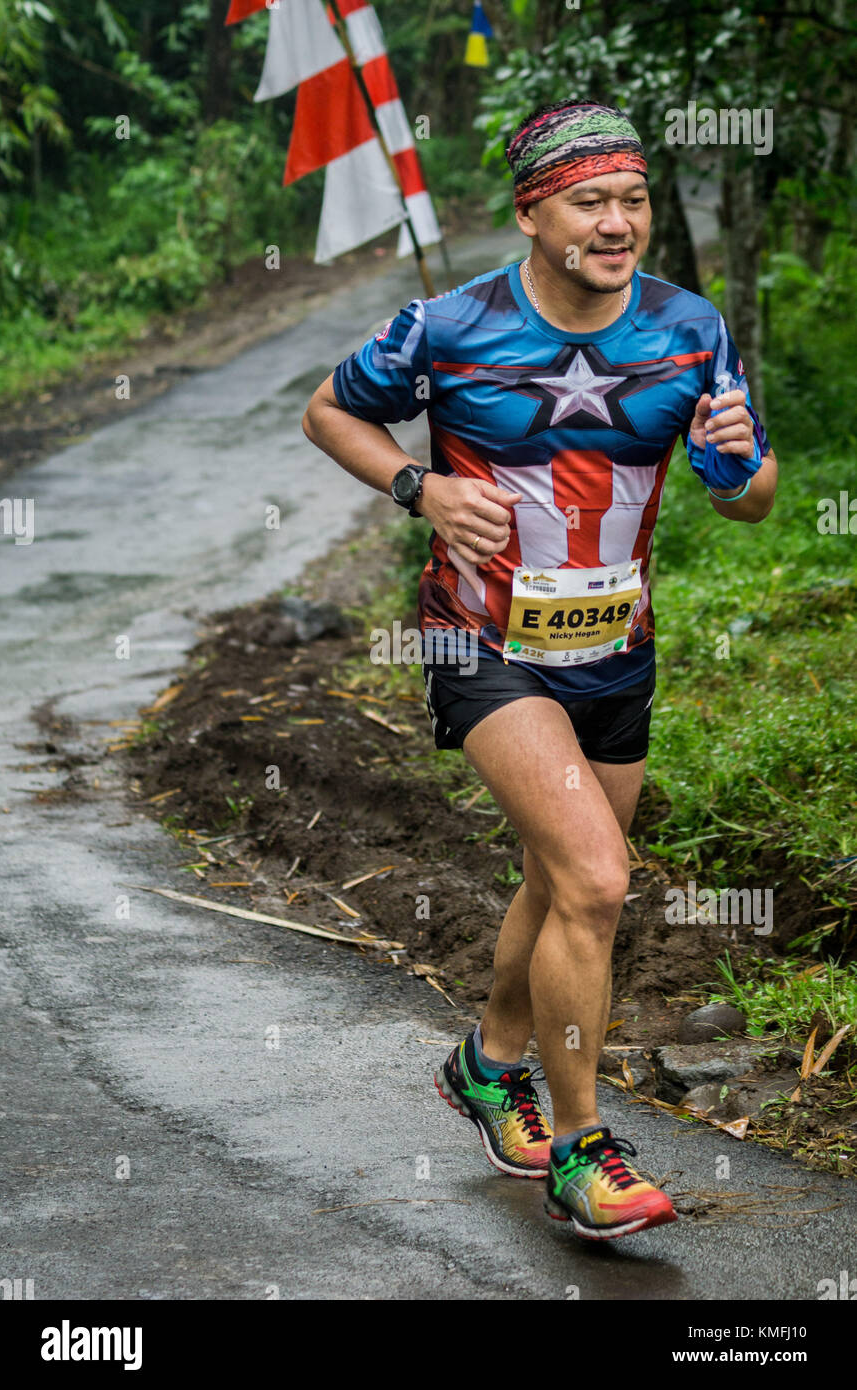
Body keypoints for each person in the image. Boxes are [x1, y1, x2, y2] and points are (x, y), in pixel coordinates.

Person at [302, 99, 777, 1241]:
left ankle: (485, 1064)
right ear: (530, 212)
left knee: (558, 878)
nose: (616, 224)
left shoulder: (688, 326)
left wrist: (735, 467)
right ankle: (581, 1149)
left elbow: (752, 496)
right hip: (478, 640)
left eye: (632, 200)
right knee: (597, 881)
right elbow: (329, 412)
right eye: (588, 201)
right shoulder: (448, 326)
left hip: (616, 651)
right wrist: (420, 488)